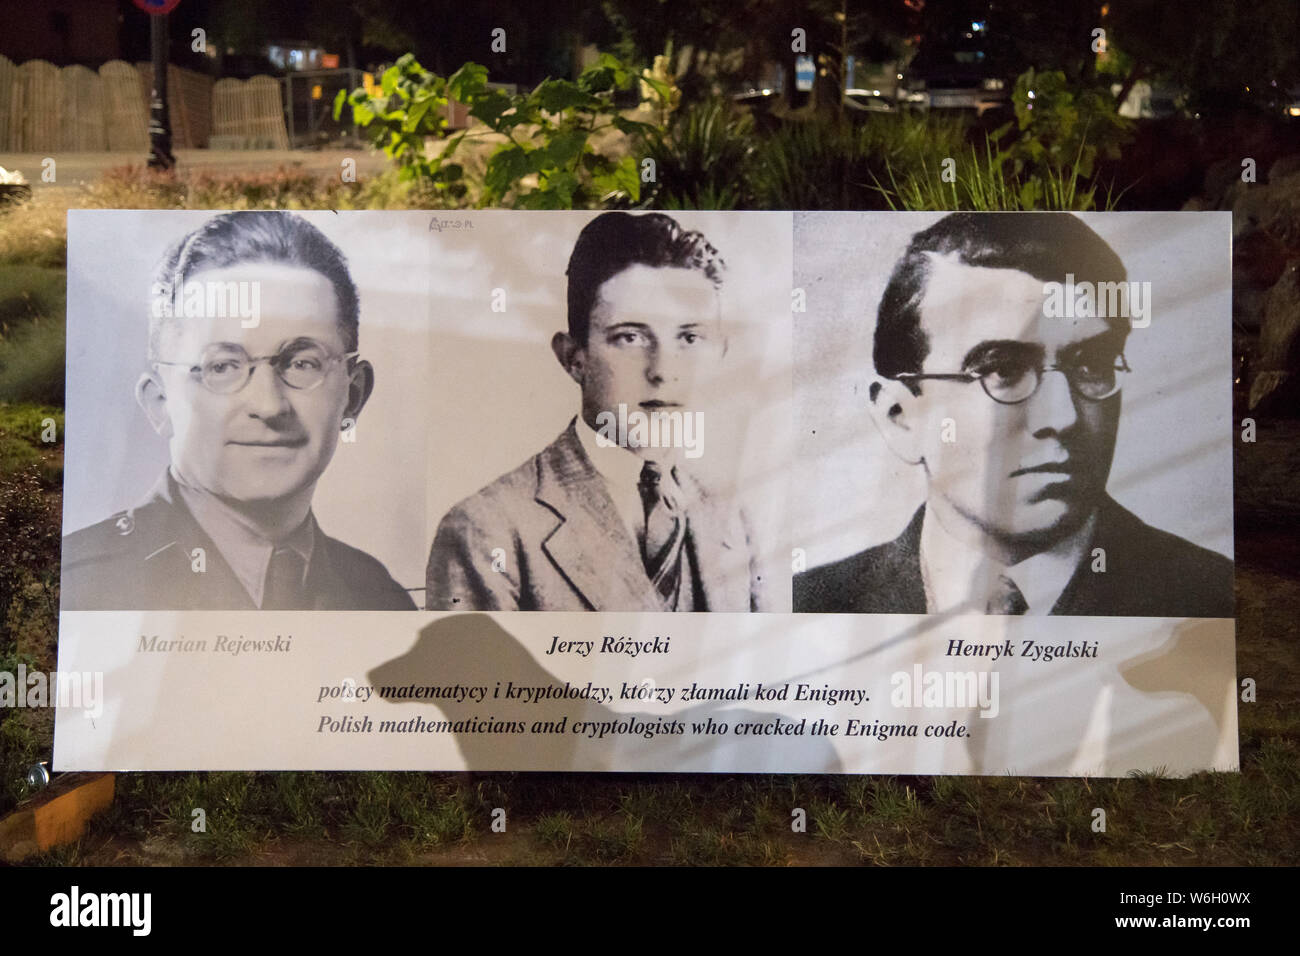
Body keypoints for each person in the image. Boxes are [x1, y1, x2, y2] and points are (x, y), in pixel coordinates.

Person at [795, 212, 1233, 617]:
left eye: (1091, 366)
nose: (1062, 417)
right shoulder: (809, 607)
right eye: (1003, 369)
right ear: (900, 416)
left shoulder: (1210, 597)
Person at [61, 211, 416, 610]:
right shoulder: (80, 586)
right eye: (222, 367)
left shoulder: (379, 598)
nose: (268, 405)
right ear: (160, 403)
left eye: (303, 363)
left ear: (353, 396)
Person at [426, 211, 768, 611]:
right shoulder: (486, 530)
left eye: (689, 338)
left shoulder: (732, 521)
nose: (663, 371)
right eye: (630, 337)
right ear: (574, 359)